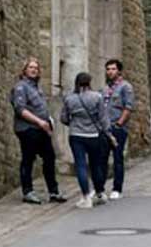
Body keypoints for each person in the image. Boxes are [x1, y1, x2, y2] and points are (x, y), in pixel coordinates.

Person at [11, 57, 65, 204]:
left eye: (36, 68)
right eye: (31, 67)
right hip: (27, 128)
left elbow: (41, 108)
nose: (34, 70)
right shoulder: (21, 87)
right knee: (28, 159)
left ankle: (53, 191)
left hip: (41, 129)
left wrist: (48, 122)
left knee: (49, 157)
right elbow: (20, 109)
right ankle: (28, 192)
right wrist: (39, 122)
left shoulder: (37, 88)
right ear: (24, 71)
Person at [61, 72, 113, 208]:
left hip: (76, 135)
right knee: (96, 165)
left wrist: (74, 122)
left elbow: (64, 118)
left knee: (81, 165)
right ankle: (100, 192)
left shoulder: (69, 99)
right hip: (93, 135)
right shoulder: (97, 97)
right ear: (89, 82)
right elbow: (103, 118)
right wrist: (107, 132)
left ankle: (86, 196)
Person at [103, 58, 135, 198]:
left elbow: (128, 107)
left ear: (119, 71)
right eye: (108, 69)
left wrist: (119, 124)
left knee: (117, 158)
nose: (110, 71)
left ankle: (117, 189)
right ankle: (100, 188)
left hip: (117, 127)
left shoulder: (125, 87)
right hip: (104, 128)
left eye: (113, 69)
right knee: (102, 159)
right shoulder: (104, 88)